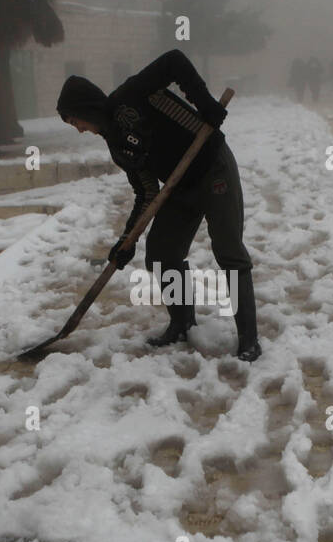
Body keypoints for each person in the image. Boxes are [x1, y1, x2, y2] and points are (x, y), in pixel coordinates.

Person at [56, 49, 261, 361]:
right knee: (162, 253)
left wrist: (203, 103)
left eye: (76, 120)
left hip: (212, 166)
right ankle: (182, 323)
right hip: (181, 186)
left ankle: (249, 339)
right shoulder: (117, 147)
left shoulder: (132, 93)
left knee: (229, 251)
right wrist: (126, 241)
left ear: (86, 108)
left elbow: (175, 61)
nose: (79, 129)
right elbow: (147, 192)